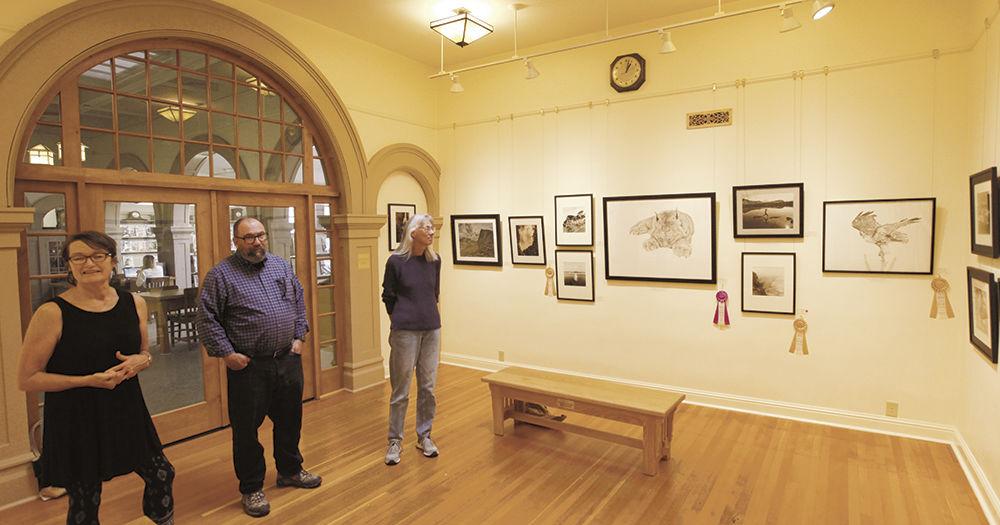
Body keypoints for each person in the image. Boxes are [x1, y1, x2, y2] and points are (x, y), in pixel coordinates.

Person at [17, 231, 174, 525]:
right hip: (75, 415)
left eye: (97, 256)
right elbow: (27, 379)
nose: (89, 263)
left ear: (112, 262)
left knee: (162, 473)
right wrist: (86, 380)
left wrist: (144, 359)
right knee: (86, 499)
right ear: (70, 266)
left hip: (125, 407)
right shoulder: (52, 313)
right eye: (78, 257)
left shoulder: (133, 302)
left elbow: (142, 352)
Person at [196, 217, 320, 518]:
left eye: (260, 235)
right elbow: (206, 319)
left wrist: (299, 336)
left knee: (290, 420)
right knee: (246, 432)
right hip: (249, 367)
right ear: (236, 241)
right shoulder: (221, 276)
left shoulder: (280, 266)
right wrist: (227, 354)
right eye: (248, 237)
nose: (256, 242)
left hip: (286, 360)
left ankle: (290, 470)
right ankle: (251, 488)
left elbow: (298, 301)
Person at [381, 213, 442, 465]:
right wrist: (401, 318)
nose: (431, 232)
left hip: (431, 329)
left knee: (427, 388)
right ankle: (395, 440)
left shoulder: (435, 261)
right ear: (412, 232)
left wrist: (425, 314)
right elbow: (388, 296)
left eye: (432, 228)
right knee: (401, 390)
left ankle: (424, 435)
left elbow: (434, 293)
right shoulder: (395, 262)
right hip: (405, 331)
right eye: (426, 228)